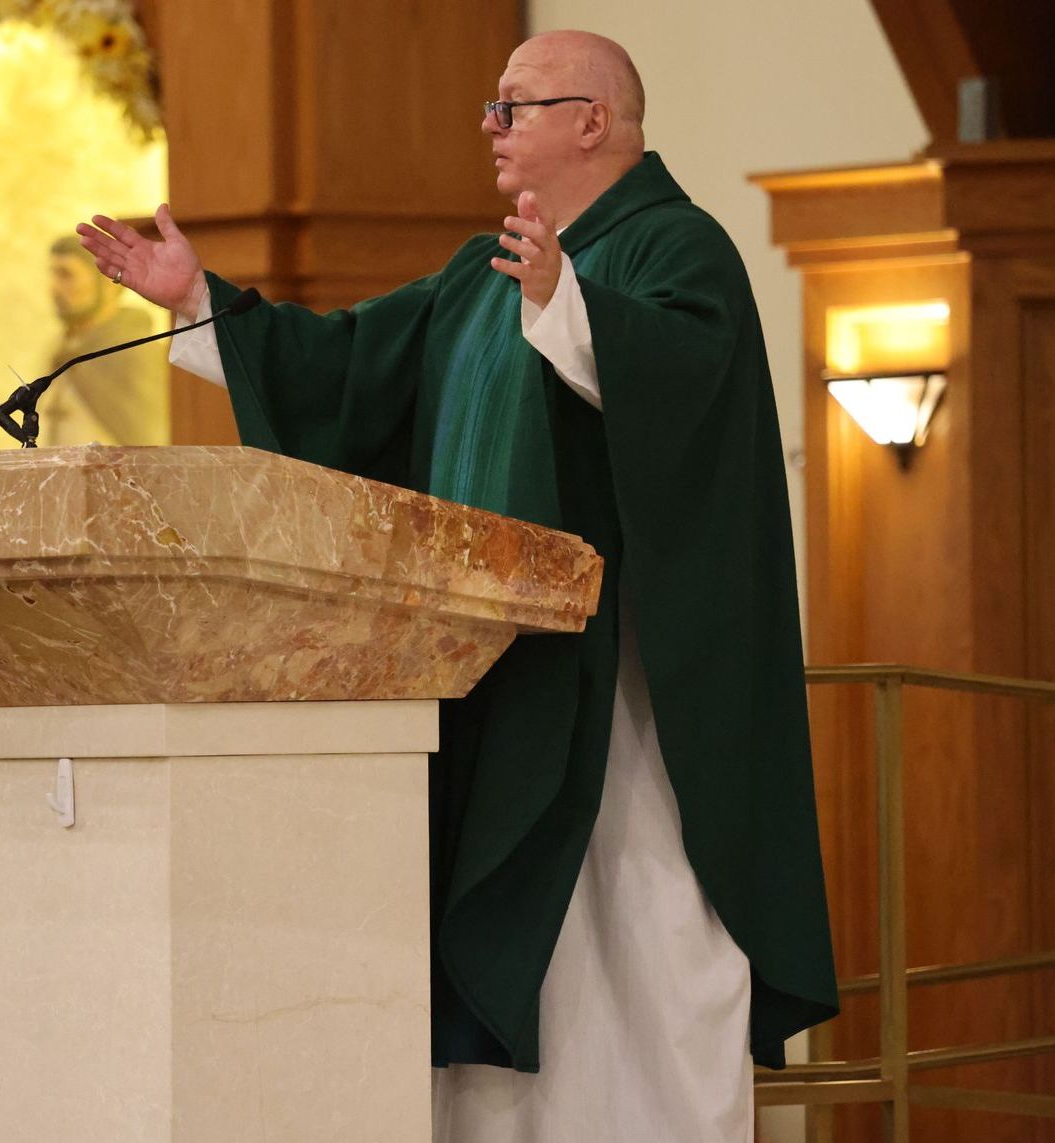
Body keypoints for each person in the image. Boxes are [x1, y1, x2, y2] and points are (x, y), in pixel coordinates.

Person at [78, 29, 837, 1143]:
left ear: (595, 120)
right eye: (491, 106)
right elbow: (348, 372)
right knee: (515, 952)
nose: (491, 127)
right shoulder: (484, 272)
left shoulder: (677, 250)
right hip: (492, 681)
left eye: (513, 107)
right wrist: (199, 301)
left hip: (621, 699)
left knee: (636, 933)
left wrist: (571, 308)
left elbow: (688, 401)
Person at [36, 235, 172, 447]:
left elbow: (155, 445)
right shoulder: (60, 350)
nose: (54, 288)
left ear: (109, 283)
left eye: (66, 275)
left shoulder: (138, 352)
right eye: (53, 274)